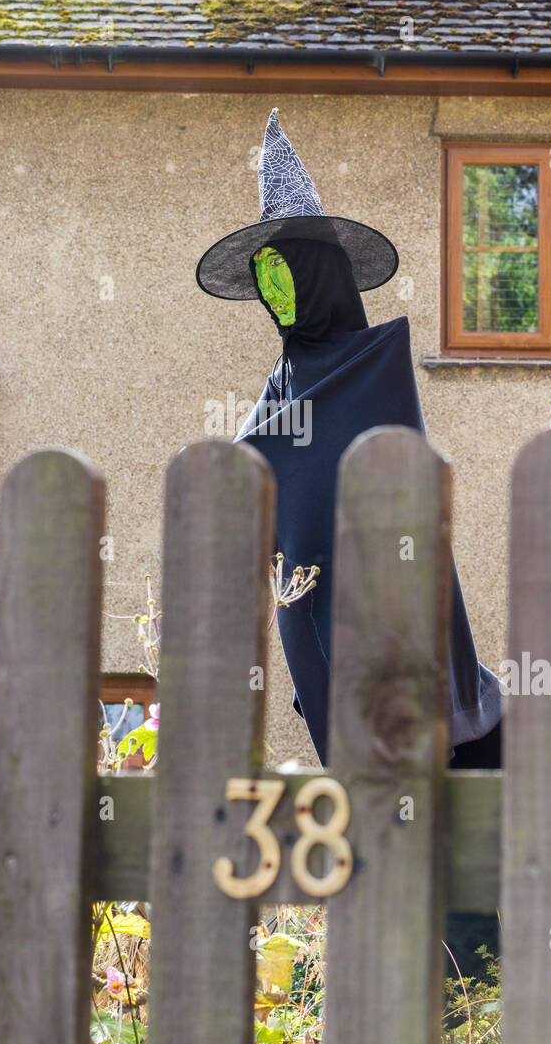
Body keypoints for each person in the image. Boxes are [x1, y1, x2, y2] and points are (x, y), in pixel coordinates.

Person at [196, 108, 503, 771]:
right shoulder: (282, 385)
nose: (275, 295)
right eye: (264, 278)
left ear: (319, 277)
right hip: (318, 637)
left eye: (287, 274)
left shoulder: (372, 372)